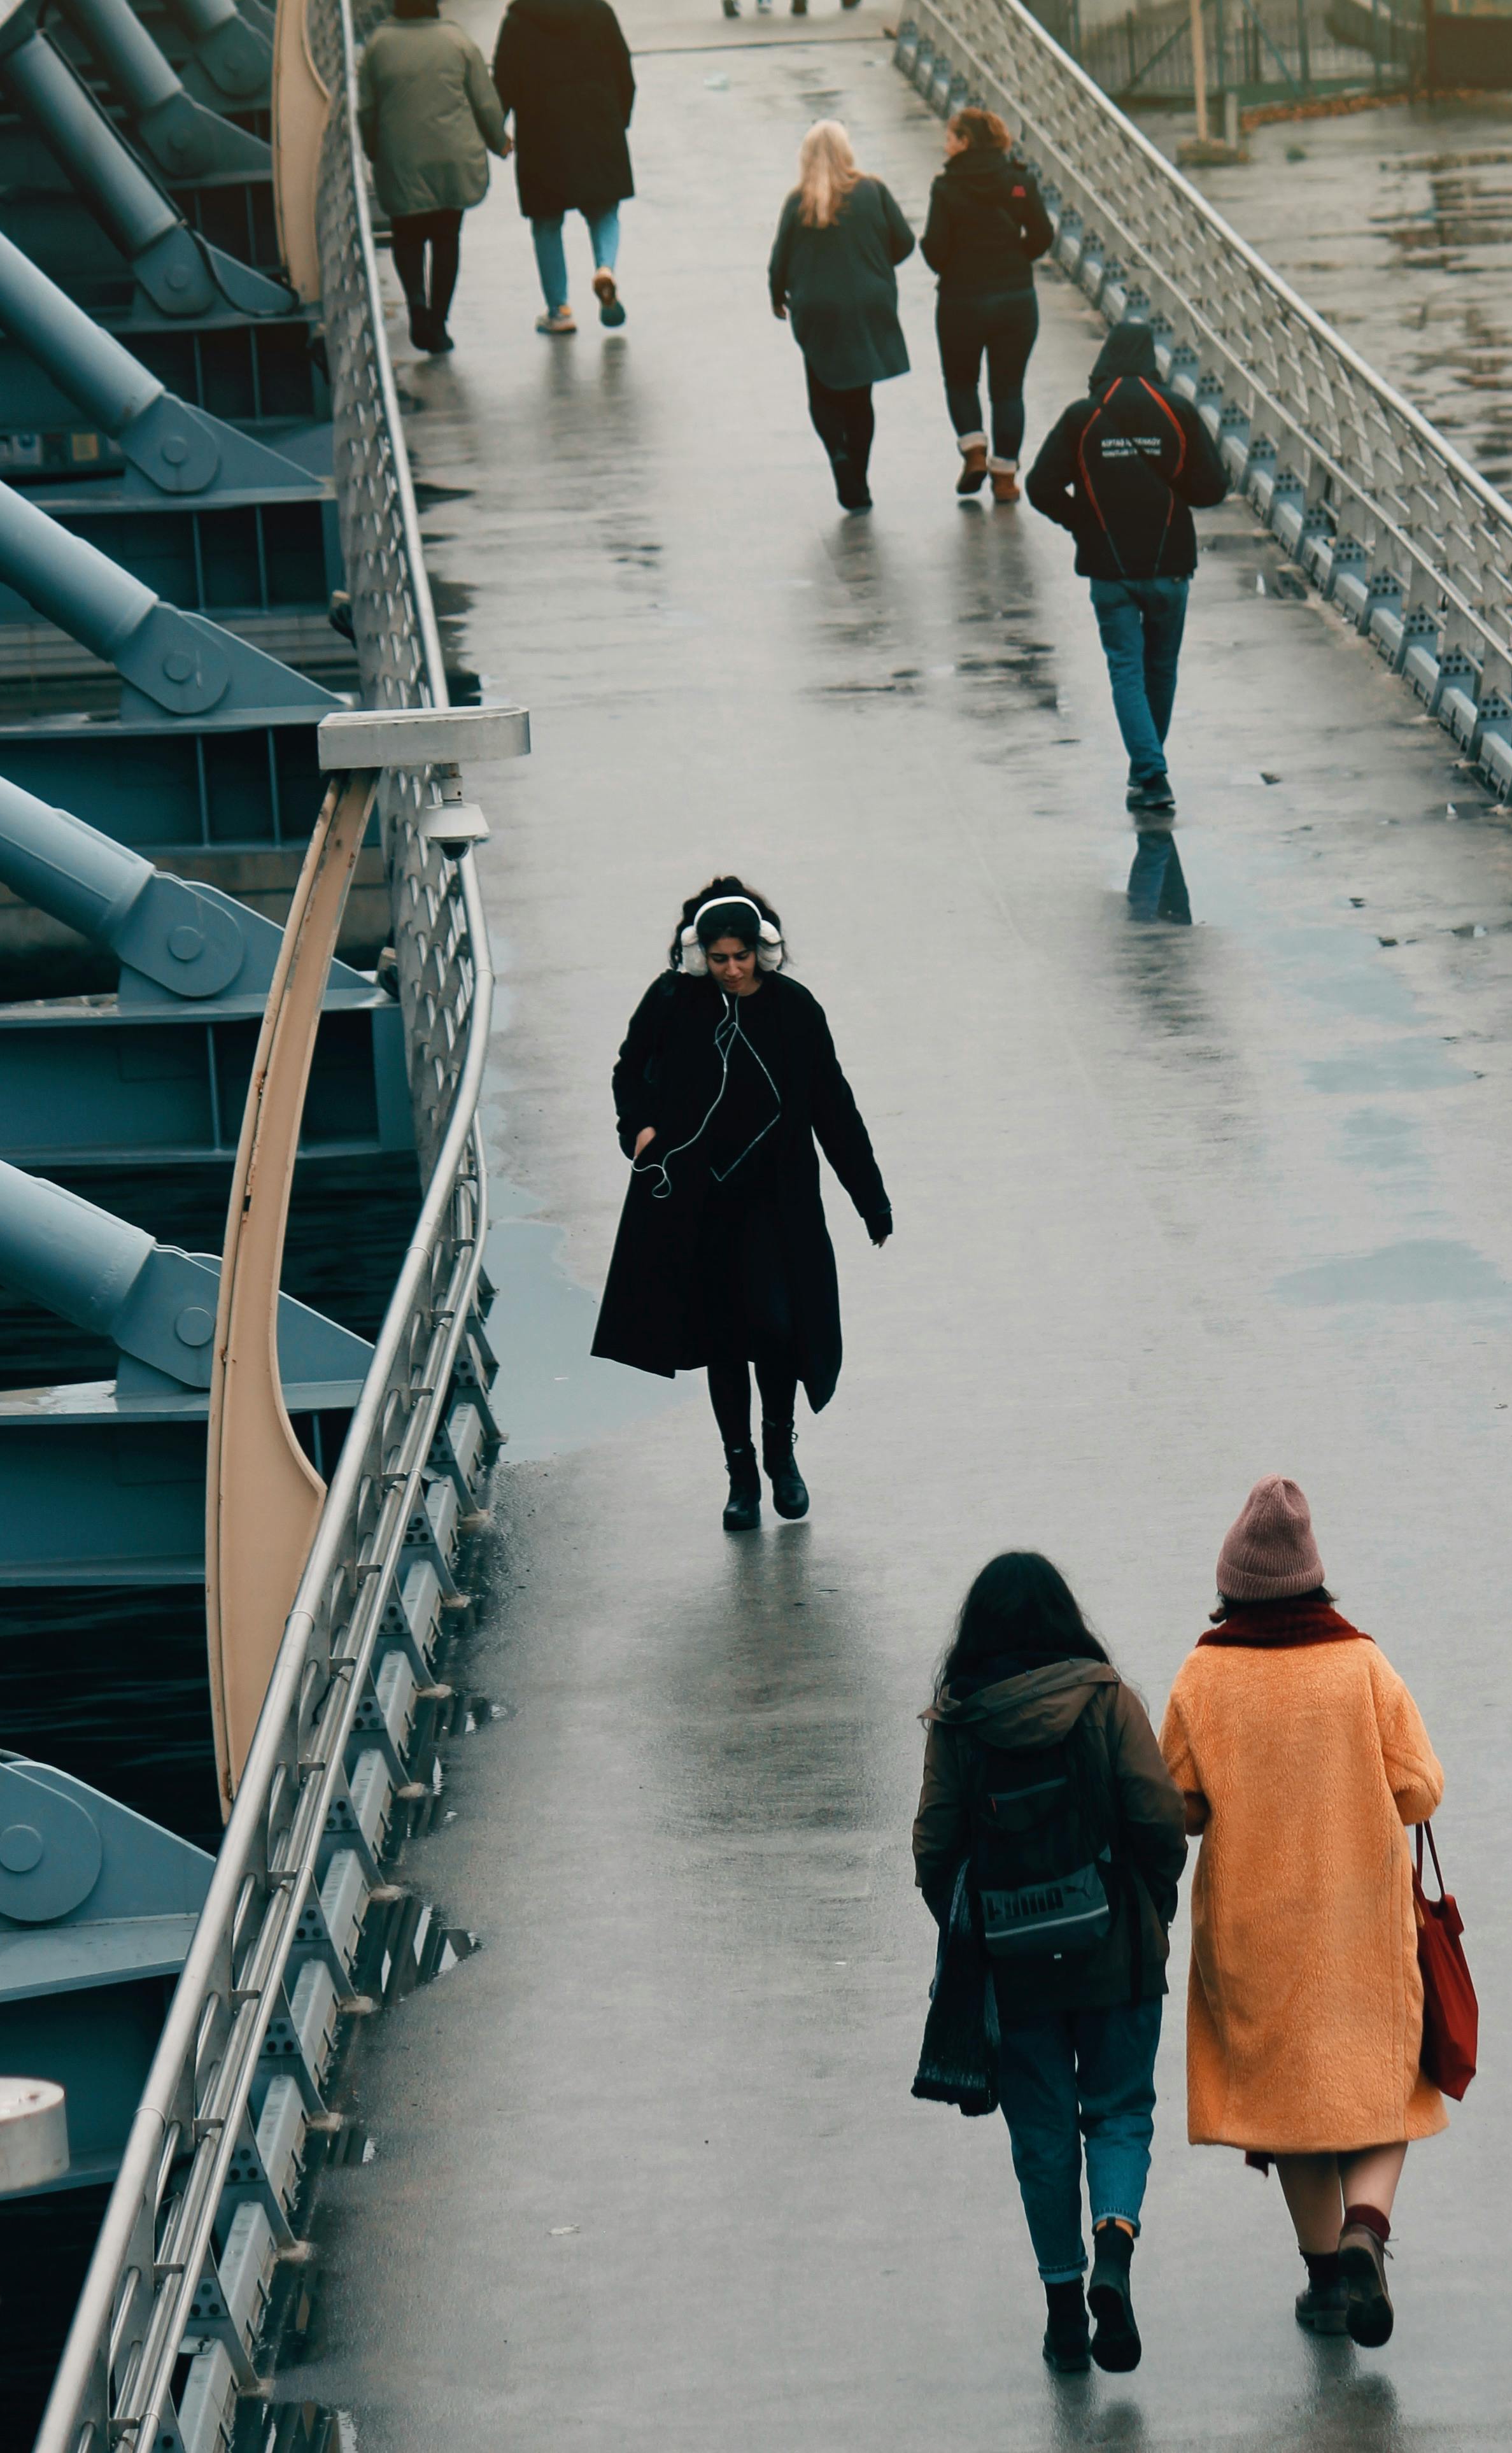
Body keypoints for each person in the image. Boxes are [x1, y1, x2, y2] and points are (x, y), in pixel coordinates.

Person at [1158, 1479, 1447, 2350]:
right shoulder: (1361, 1663)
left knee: (1292, 2109)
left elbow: (1179, 1804)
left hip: (1256, 1932)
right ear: (1314, 1578)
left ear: (1231, 1584)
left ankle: (1325, 2280)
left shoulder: (1203, 1673)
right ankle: (1368, 2227)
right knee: (1386, 2088)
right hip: (1358, 1921)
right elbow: (1418, 1787)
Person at [914, 1554, 1187, 2378]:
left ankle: (1065, 2313)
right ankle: (1113, 2241)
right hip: (1117, 1952)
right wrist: (1152, 1906)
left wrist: (980, 1931)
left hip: (1013, 1966)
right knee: (1117, 2112)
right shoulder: (1106, 1700)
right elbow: (1159, 1819)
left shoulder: (959, 1722)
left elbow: (933, 1848)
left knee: (1040, 2134)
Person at [593, 880, 891, 1532]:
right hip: (700, 1200)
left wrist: (869, 1196)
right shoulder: (673, 1001)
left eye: (742, 956)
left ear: (765, 950)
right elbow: (628, 1069)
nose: (731, 969)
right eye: (720, 957)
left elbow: (832, 1106)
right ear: (700, 954)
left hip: (776, 1202)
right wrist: (636, 1130)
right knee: (722, 1338)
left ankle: (780, 1453)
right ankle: (740, 1474)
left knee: (779, 1328)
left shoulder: (795, 1010)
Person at [1025, 321, 1227, 819]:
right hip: (1171, 568)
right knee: (1161, 668)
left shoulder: (1082, 417)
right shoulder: (1176, 411)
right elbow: (1213, 490)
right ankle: (1149, 771)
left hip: (1109, 571)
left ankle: (1150, 773)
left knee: (1126, 669)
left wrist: (1082, 524)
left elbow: (1039, 486)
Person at [355, 0, 509, 357]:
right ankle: (439, 321)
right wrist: (498, 142)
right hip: (452, 160)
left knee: (407, 235)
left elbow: (367, 111)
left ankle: (416, 305)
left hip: (401, 159)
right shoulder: (457, 41)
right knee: (446, 237)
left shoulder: (378, 46)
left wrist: (376, 150)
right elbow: (485, 102)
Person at [490, 0, 633, 336]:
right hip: (599, 127)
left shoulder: (517, 23)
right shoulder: (598, 10)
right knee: (603, 209)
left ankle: (560, 311)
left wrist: (494, 134)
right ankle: (605, 267)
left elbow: (502, 84)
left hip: (542, 137)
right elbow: (624, 71)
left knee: (546, 222)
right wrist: (619, 120)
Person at [768, 120, 913, 511]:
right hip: (868, 302)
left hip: (817, 308)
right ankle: (859, 480)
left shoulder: (798, 201)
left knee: (823, 391)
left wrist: (777, 296)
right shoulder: (872, 190)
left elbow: (779, 258)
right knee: (859, 396)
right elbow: (905, 241)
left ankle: (838, 454)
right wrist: (877, 267)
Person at [920, 103, 1053, 502]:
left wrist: (954, 263)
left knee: (962, 381)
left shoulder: (946, 188)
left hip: (962, 299)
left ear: (965, 142)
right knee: (1008, 391)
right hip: (1015, 298)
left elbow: (936, 250)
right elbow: (1043, 234)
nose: (945, 147)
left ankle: (975, 451)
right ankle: (1006, 479)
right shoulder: (1018, 181)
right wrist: (1015, 259)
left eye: (950, 138)